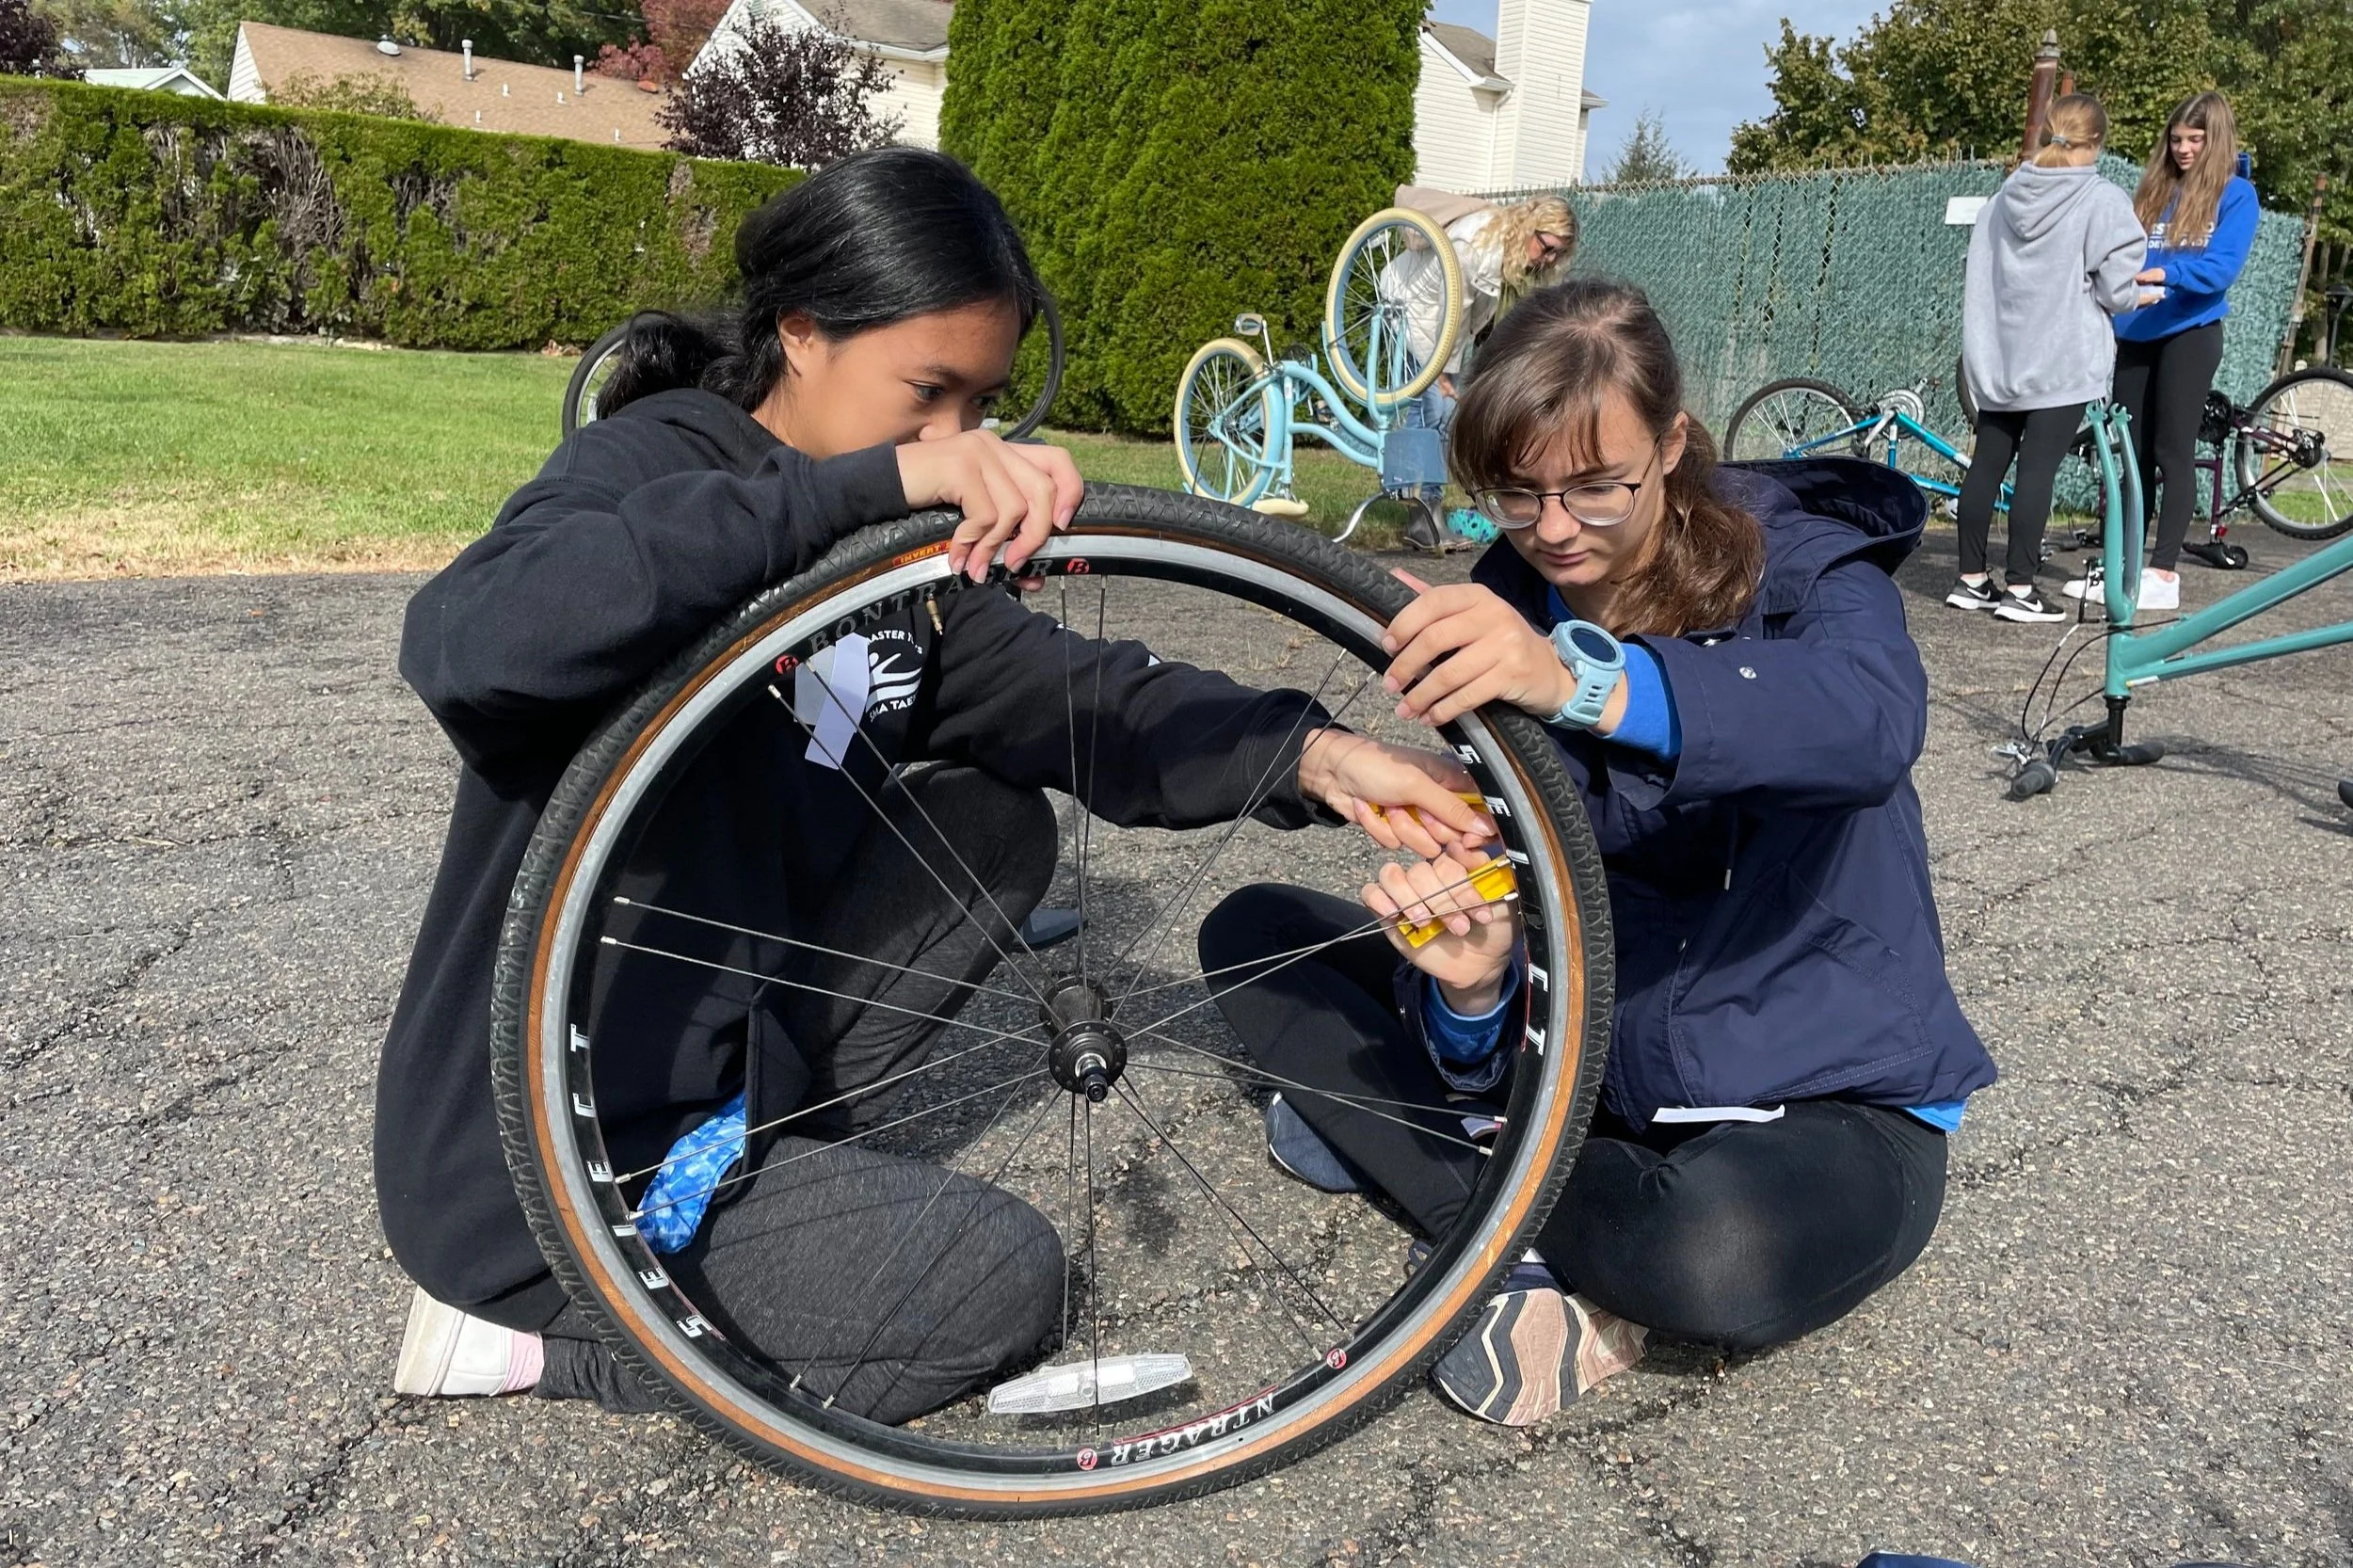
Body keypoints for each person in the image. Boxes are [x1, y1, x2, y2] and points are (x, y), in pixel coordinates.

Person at [377, 147, 1491, 1423]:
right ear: (801, 331)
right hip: (541, 1164)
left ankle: (785, 1184)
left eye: (983, 404)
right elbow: (471, 642)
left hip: (721, 1070)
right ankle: (522, 1337)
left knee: (994, 822)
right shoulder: (658, 465)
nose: (957, 442)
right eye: (928, 393)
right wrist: (877, 485)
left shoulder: (900, 579)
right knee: (996, 1283)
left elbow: (1090, 700)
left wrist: (1313, 752)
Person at [1200, 278, 1997, 1427]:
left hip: (1824, 1101)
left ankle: (1443, 1182)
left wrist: (1583, 680)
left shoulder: (1810, 566)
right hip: (1588, 1062)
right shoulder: (1501, 599)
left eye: (1596, 485)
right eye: (1515, 496)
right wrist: (1471, 995)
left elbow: (1868, 723)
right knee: (1253, 935)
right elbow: (1518, 895)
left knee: (1710, 1254)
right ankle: (1518, 1251)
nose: (1557, 528)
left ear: (1673, 444)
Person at [1950, 93, 2153, 623]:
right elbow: (2114, 288)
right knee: (2037, 471)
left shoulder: (2002, 200)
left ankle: (1971, 579)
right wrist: (2138, 295)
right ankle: (2021, 589)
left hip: (2002, 358)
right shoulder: (2101, 200)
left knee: (1987, 464)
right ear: (2097, 143)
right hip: (2062, 361)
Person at [2067, 90, 2258, 611]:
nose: (2184, 149)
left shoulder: (2236, 195)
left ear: (2215, 138)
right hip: (2135, 333)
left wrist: (2166, 273)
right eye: (2176, 139)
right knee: (2132, 455)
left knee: (2173, 454)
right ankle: (2122, 566)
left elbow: (2221, 270)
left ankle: (2163, 573)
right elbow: (2118, 252)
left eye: (2195, 139)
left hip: (2190, 333)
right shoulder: (2153, 189)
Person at [1385, 188, 1578, 551]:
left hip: (1440, 328)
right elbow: (1447, 313)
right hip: (1412, 311)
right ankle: (1422, 517)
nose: (1548, 259)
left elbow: (1468, 320)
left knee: (1440, 416)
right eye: (1546, 246)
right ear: (1530, 227)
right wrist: (1438, 372)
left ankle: (1424, 513)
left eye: (1557, 253)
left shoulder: (1505, 246)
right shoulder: (1477, 246)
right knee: (1431, 413)